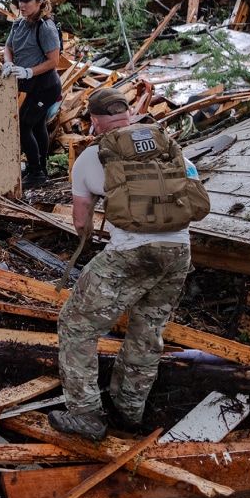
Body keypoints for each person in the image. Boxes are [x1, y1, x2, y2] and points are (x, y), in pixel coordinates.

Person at [49, 88, 208, 441]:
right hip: (179, 253)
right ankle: (129, 410)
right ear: (130, 115)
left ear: (93, 120)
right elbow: (193, 190)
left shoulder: (92, 157)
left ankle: (86, 412)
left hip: (131, 253)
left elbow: (80, 223)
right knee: (146, 332)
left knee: (76, 325)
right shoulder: (167, 146)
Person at [3, 0, 62, 189]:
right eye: (20, 0)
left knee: (22, 125)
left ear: (39, 3)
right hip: (30, 85)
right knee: (36, 125)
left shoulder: (45, 27)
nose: (22, 4)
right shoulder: (19, 23)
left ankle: (36, 172)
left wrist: (29, 71)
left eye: (27, 1)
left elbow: (54, 61)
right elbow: (8, 47)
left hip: (45, 86)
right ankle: (41, 168)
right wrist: (8, 62)